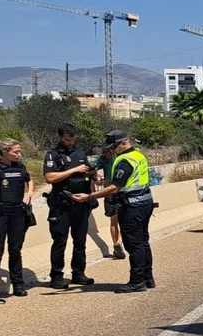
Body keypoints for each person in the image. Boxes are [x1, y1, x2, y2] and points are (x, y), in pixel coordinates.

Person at [75, 131, 154, 293]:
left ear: (123, 143)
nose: (112, 150)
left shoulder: (125, 160)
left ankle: (137, 281)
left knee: (134, 245)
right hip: (145, 202)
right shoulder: (139, 155)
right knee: (143, 242)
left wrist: (89, 196)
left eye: (114, 147)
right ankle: (148, 278)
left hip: (132, 206)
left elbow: (114, 187)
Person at [42, 123, 96, 289]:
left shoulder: (80, 152)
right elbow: (50, 177)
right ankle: (57, 276)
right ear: (60, 137)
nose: (71, 142)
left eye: (73, 139)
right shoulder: (53, 155)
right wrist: (73, 170)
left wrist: (94, 174)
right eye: (67, 139)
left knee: (80, 240)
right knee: (60, 240)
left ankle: (78, 273)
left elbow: (86, 170)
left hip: (80, 203)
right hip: (61, 203)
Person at [0, 139, 33, 300]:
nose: (19, 154)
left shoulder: (20, 167)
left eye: (19, 151)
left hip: (18, 213)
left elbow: (29, 180)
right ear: (5, 152)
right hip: (1, 213)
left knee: (15, 249)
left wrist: (29, 192)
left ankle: (18, 283)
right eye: (15, 152)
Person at [96, 148, 125, 259]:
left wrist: (98, 178)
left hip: (108, 191)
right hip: (120, 190)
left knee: (113, 221)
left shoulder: (102, 159)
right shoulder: (119, 157)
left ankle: (115, 246)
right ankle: (119, 242)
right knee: (124, 219)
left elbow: (94, 170)